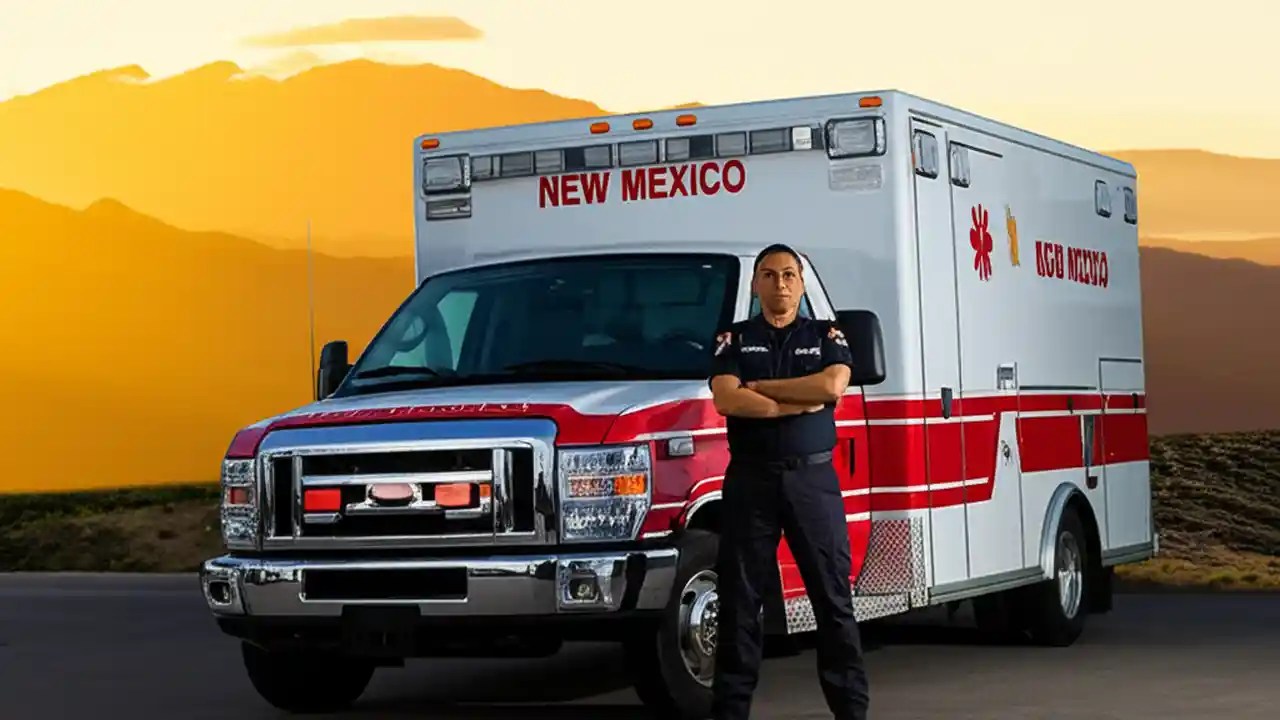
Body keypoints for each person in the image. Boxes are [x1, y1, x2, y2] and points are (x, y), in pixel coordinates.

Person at [706, 243, 870, 720]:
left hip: (812, 483)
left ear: (801, 283)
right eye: (769, 275)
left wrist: (761, 389)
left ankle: (851, 713)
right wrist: (795, 401)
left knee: (834, 602)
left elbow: (831, 387)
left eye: (788, 275)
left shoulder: (826, 336)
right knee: (739, 605)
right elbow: (726, 400)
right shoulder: (731, 339)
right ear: (755, 285)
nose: (780, 284)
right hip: (750, 484)